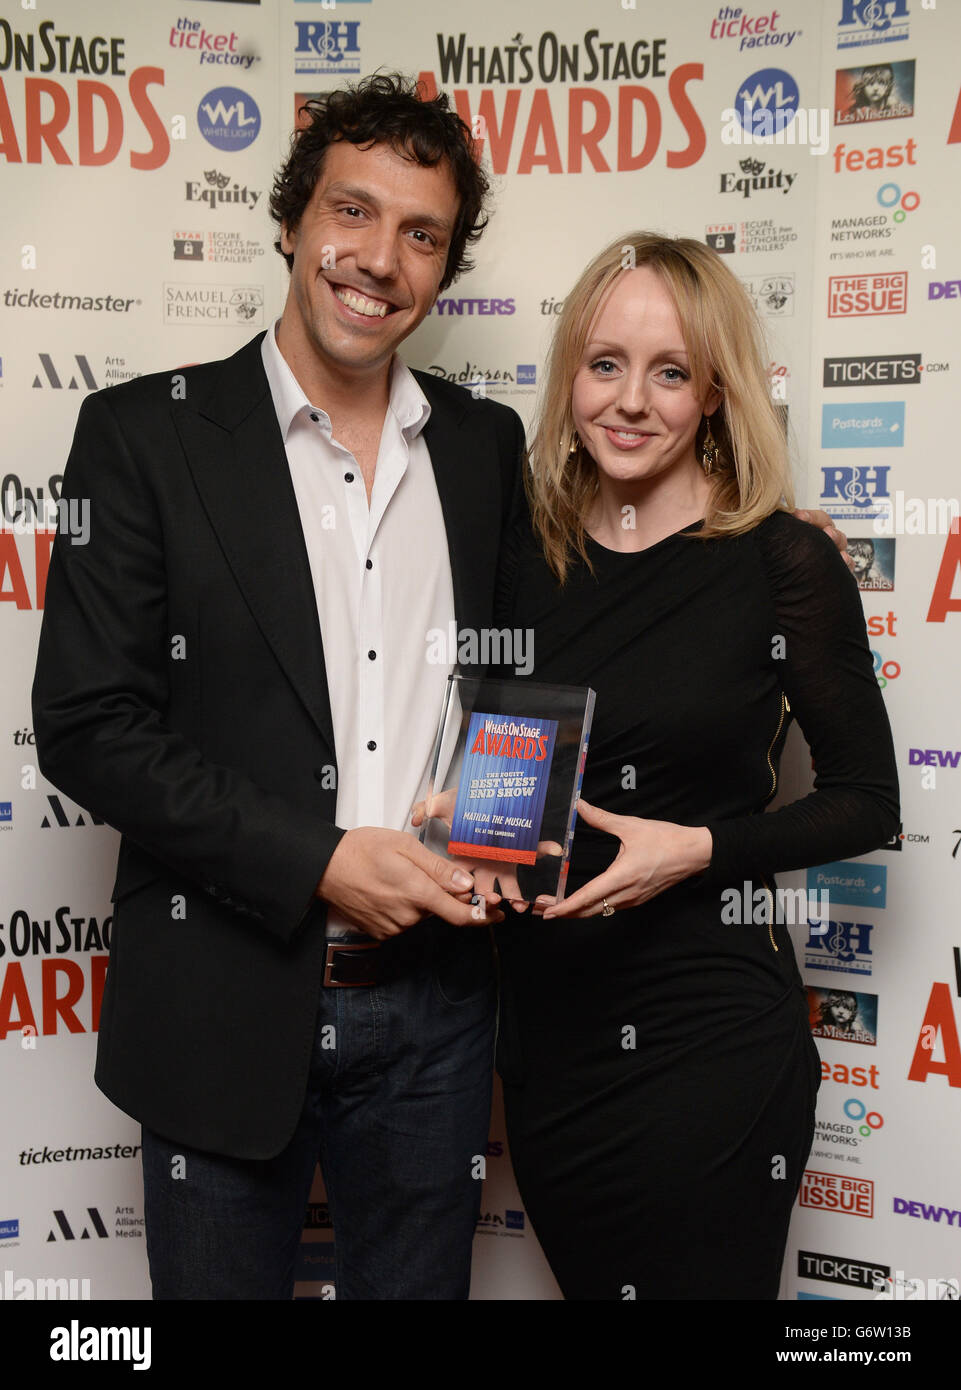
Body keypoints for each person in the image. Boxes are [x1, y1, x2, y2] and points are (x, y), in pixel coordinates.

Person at [30, 74, 520, 1302]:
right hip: (218, 1008)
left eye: (421, 234)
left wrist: (748, 538)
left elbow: (526, 676)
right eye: (352, 212)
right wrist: (318, 858)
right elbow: (89, 726)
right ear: (295, 220)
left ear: (444, 268)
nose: (379, 259)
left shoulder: (483, 446)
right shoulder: (143, 435)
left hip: (435, 1022)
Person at [486, 233, 900, 1300]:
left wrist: (699, 849)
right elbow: (510, 764)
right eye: (604, 363)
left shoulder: (780, 560)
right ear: (568, 373)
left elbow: (866, 801)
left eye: (670, 372)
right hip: (549, 1043)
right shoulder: (517, 557)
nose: (631, 401)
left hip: (707, 1035)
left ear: (715, 392)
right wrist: (462, 818)